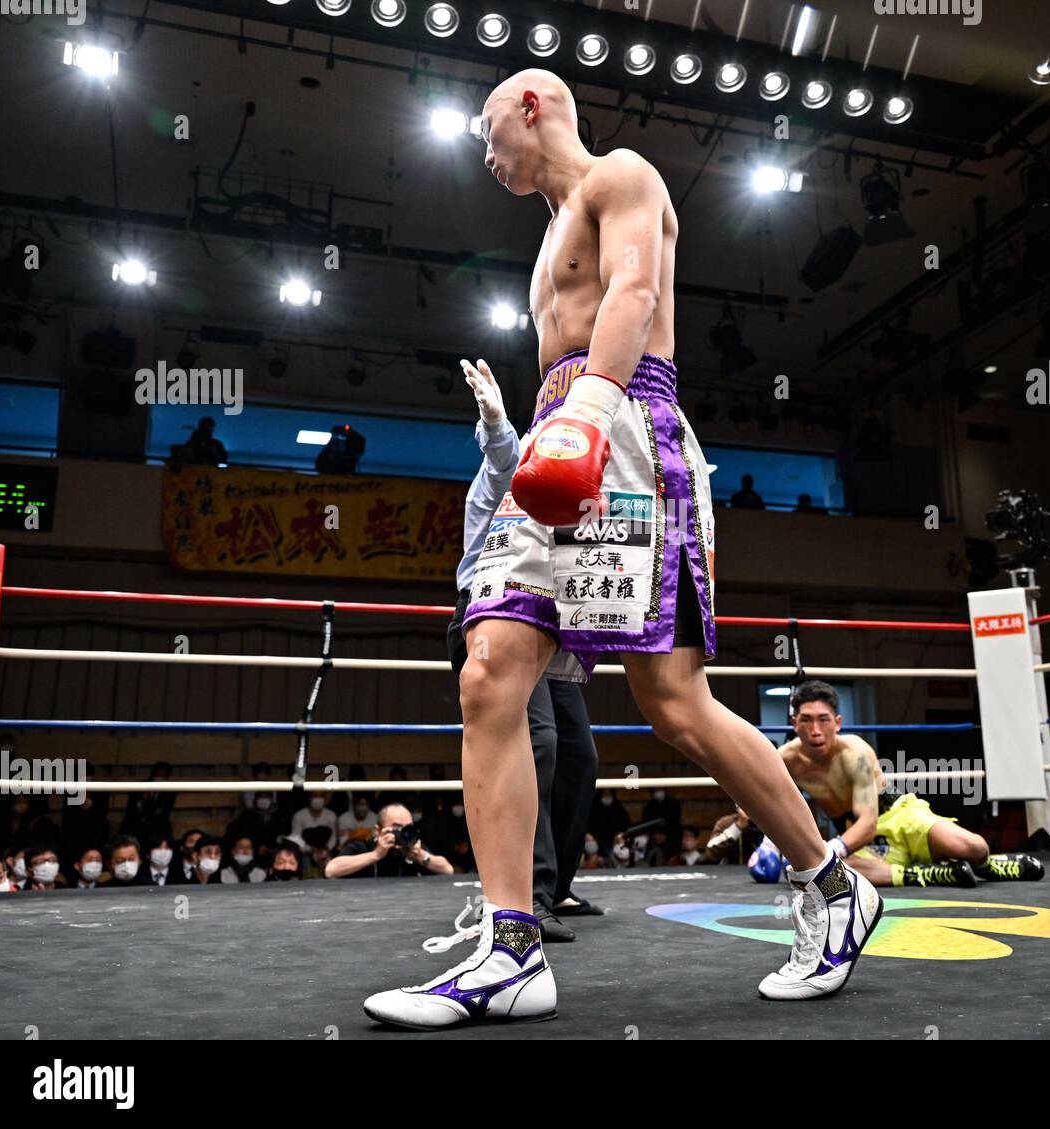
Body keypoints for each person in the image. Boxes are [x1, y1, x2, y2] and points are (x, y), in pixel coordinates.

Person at [363, 70, 881, 1031]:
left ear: (530, 107)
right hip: (560, 434)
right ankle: (512, 949)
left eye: (488, 135)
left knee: (674, 703)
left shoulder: (623, 176)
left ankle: (834, 883)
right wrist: (532, 434)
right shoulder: (542, 245)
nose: (485, 159)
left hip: (628, 427)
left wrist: (590, 417)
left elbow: (635, 292)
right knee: (489, 670)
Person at [445, 352, 601, 941]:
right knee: (535, 740)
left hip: (546, 620)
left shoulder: (577, 480)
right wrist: (495, 420)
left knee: (579, 755)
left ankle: (553, 886)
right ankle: (522, 902)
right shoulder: (514, 475)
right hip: (491, 616)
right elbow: (505, 458)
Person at [775, 680, 1045, 888]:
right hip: (860, 842)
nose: (815, 730)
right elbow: (760, 802)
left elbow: (868, 824)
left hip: (898, 815)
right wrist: (763, 843)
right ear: (794, 724)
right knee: (831, 876)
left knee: (973, 847)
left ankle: (989, 867)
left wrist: (830, 850)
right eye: (806, 720)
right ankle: (929, 874)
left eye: (823, 720)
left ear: (837, 723)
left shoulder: (855, 753)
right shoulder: (784, 760)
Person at [326, 804, 453, 879]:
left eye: (407, 827)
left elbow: (448, 870)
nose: (402, 832)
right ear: (378, 830)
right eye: (396, 827)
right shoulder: (361, 846)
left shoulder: (411, 848)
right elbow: (331, 870)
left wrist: (420, 856)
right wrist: (376, 855)